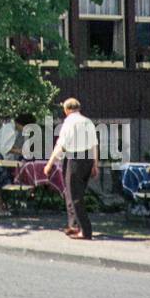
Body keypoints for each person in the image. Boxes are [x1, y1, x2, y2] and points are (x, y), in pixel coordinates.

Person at [45, 97, 99, 240]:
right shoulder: (88, 122)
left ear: (66, 110)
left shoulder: (69, 123)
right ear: (79, 108)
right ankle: (74, 225)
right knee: (74, 193)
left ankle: (85, 231)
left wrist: (50, 163)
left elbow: (61, 145)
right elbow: (94, 145)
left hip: (74, 159)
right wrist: (95, 165)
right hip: (88, 159)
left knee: (74, 196)